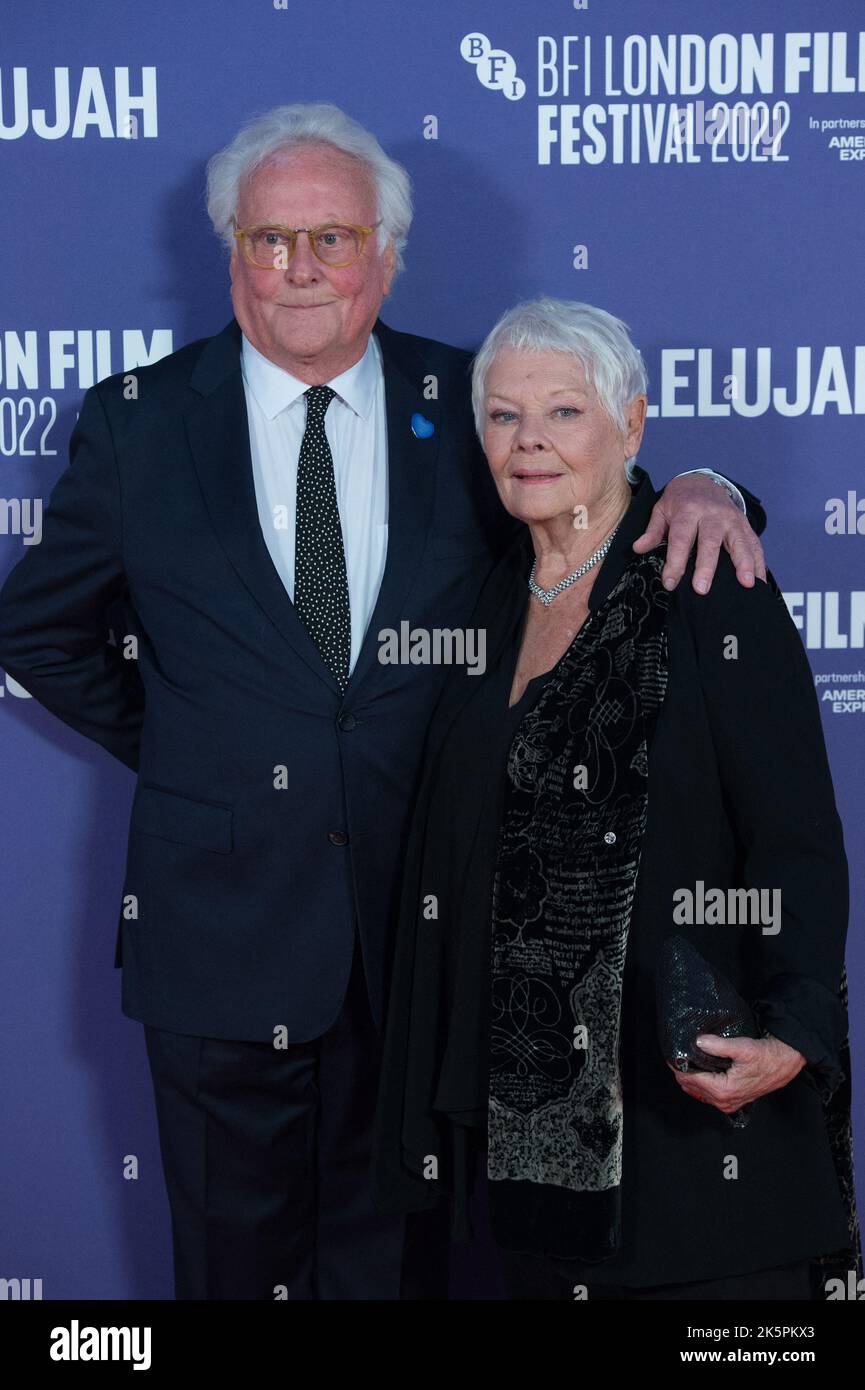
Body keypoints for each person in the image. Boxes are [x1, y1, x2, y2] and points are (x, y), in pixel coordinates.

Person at [0, 105, 766, 1301]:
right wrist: (192, 739)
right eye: (269, 240)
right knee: (229, 1270)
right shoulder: (137, 423)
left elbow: (606, 507)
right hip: (219, 935)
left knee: (403, 1273)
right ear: (231, 251)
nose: (298, 270)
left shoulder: (469, 402)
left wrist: (717, 487)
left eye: (333, 238)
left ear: (388, 255)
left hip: (427, 926)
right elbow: (37, 626)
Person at [372, 296, 859, 1301]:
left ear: (630, 424)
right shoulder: (491, 593)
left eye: (563, 413)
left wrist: (795, 1031)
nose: (529, 441)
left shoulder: (704, 577)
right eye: (504, 416)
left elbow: (795, 835)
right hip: (511, 1154)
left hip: (685, 1128)